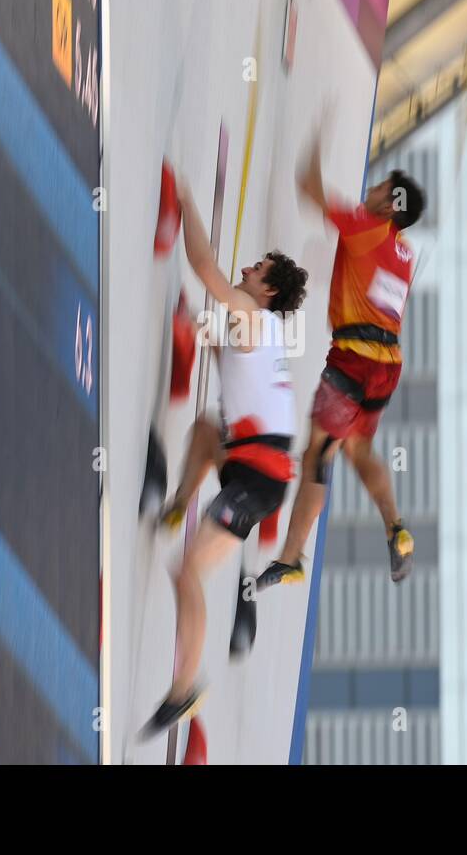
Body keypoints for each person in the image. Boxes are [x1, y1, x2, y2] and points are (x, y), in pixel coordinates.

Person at [140, 174, 308, 738]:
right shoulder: (264, 332)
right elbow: (237, 365)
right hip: (252, 461)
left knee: (187, 571)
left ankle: (183, 688)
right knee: (207, 430)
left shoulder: (251, 313)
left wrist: (187, 198)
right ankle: (180, 502)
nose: (246, 270)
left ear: (266, 290)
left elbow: (205, 266)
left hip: (258, 481)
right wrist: (197, 334)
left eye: (257, 269)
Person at [257, 121, 426, 591]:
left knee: (318, 453)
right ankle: (396, 528)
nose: (370, 188)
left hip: (354, 360)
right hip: (387, 366)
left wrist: (315, 135)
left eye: (381, 186)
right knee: (358, 448)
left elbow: (307, 185)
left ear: (392, 204)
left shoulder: (369, 227)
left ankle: (290, 557)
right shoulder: (405, 252)